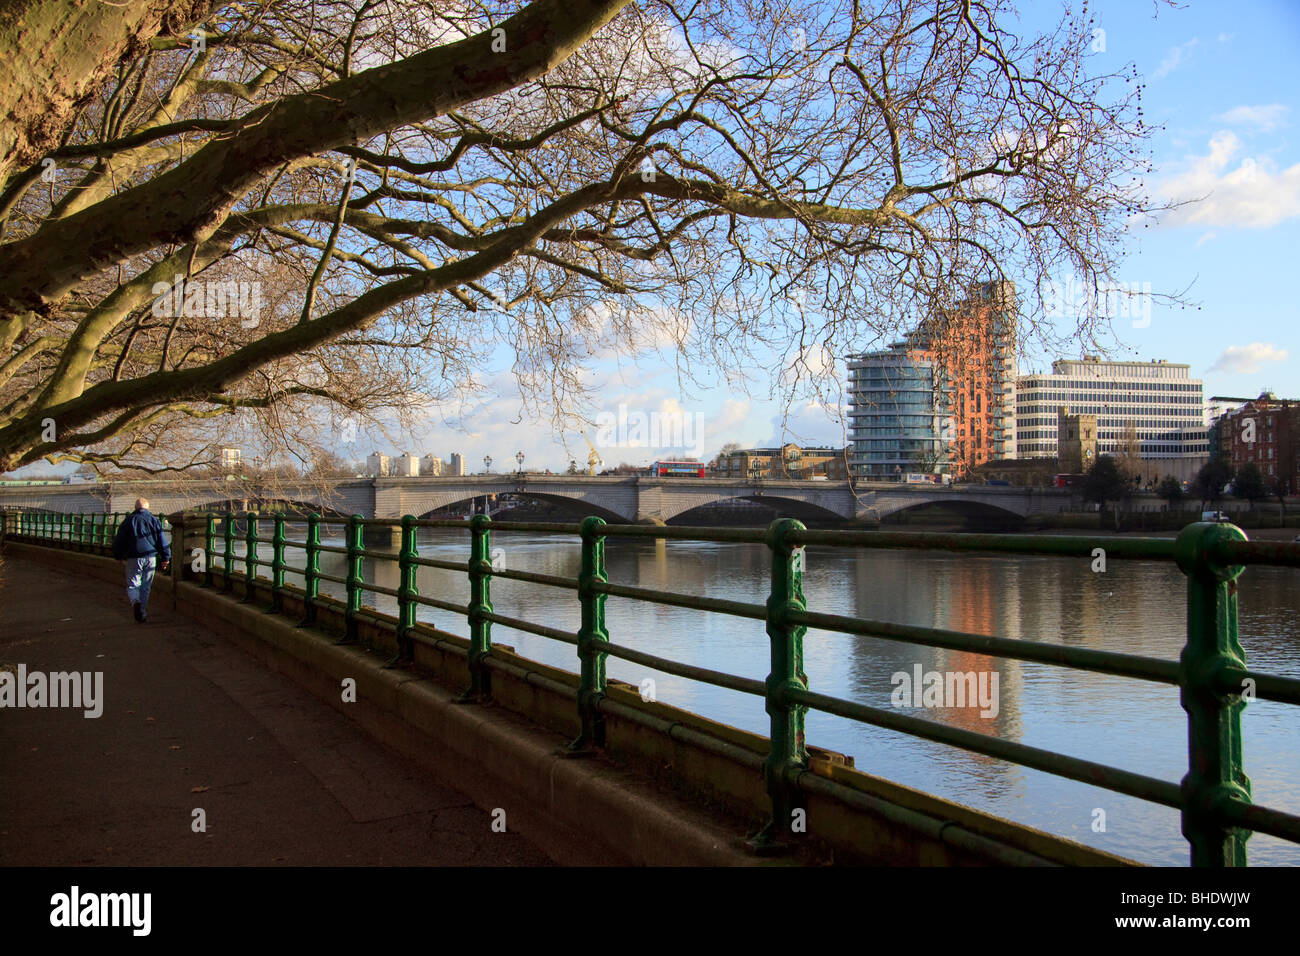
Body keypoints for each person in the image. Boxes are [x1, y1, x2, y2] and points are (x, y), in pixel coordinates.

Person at [111, 498, 171, 623]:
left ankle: (135, 601)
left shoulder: (128, 521)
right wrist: (166, 557)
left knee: (133, 584)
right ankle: (142, 612)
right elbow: (161, 540)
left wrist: (118, 555)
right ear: (147, 507)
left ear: (135, 507)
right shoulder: (154, 520)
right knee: (146, 586)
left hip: (133, 557)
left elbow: (119, 540)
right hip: (150, 556)